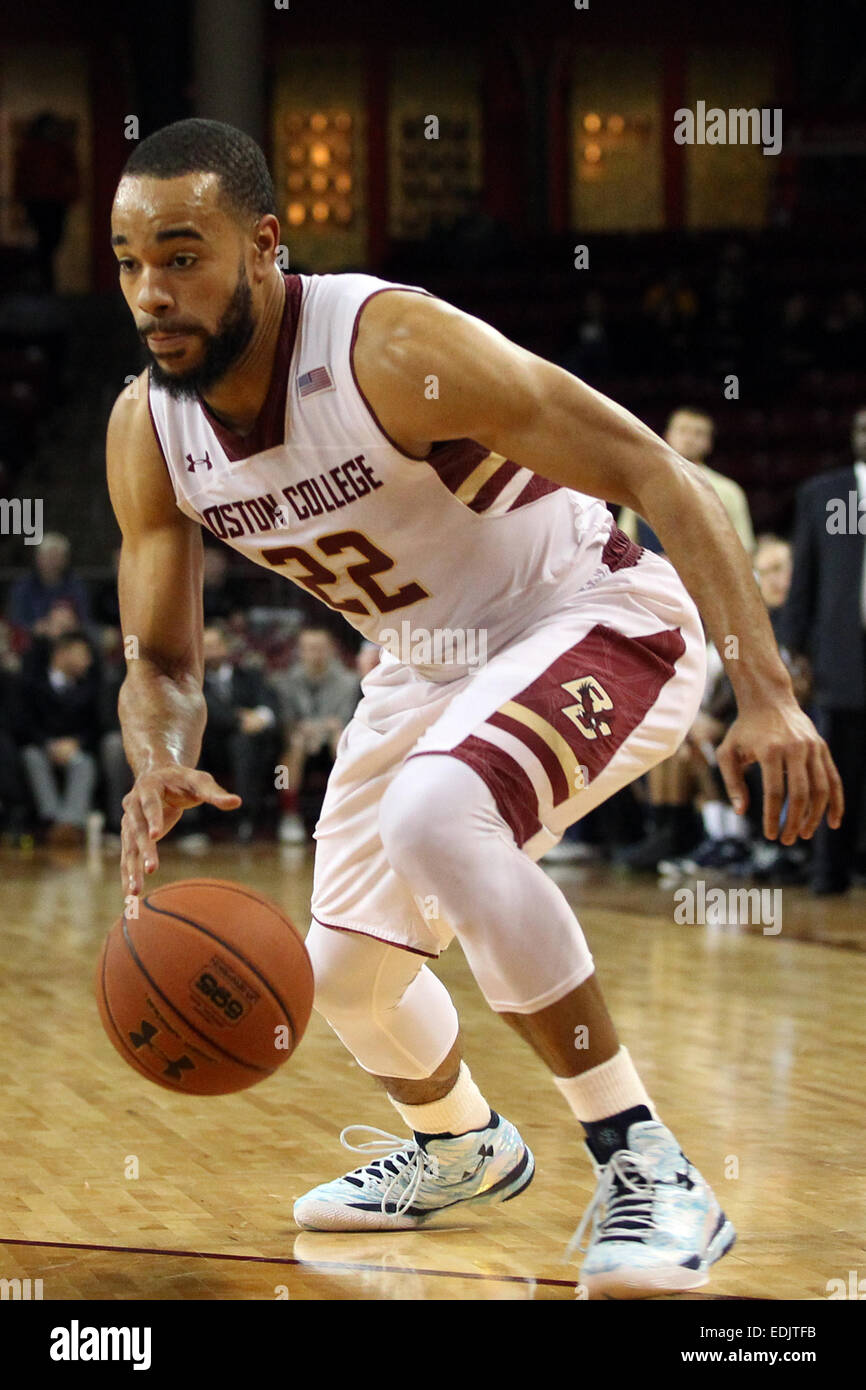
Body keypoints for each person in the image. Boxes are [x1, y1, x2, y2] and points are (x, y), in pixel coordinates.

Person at [108, 119, 841, 1299]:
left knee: (436, 816)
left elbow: (651, 466)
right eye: (130, 260)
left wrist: (765, 689)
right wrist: (158, 757)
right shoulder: (150, 428)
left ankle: (646, 1161)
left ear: (263, 247)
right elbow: (161, 657)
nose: (152, 290)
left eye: (181, 254)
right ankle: (460, 1145)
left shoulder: (385, 345)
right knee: (340, 978)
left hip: (591, 611)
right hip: (420, 664)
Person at [779, 407, 866, 896]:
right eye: (859, 428)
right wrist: (793, 650)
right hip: (840, 651)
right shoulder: (823, 495)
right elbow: (802, 580)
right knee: (838, 767)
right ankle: (828, 872)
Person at [617, 407, 755, 557]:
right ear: (668, 435)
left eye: (698, 433)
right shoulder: (643, 484)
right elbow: (626, 541)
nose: (689, 439)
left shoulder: (729, 491)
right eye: (683, 431)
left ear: (709, 442)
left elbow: (744, 549)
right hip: (653, 574)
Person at [270, 626, 361, 843]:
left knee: (342, 740)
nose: (316, 653)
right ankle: (288, 813)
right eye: (310, 648)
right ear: (300, 651)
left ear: (331, 650)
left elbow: (347, 720)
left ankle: (347, 811)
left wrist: (322, 729)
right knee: (289, 751)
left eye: (321, 648)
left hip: (332, 738)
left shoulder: (349, 681)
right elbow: (286, 721)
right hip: (298, 743)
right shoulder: (283, 681)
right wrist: (305, 729)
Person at [19, 629, 100, 845]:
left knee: (85, 764)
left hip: (75, 750)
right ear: (62, 653)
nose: (88, 662)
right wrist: (48, 745)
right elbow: (24, 724)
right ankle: (52, 819)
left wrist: (76, 743)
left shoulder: (90, 688)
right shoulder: (32, 684)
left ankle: (68, 825)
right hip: (42, 747)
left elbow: (96, 727)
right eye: (83, 654)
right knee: (31, 757)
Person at [6, 533, 92, 634]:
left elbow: (85, 619)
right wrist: (39, 627)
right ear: (38, 558)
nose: (53, 562)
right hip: (33, 638)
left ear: (66, 560)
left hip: (69, 637)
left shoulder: (76, 584)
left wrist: (66, 624)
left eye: (57, 556)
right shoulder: (23, 586)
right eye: (49, 556)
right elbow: (16, 622)